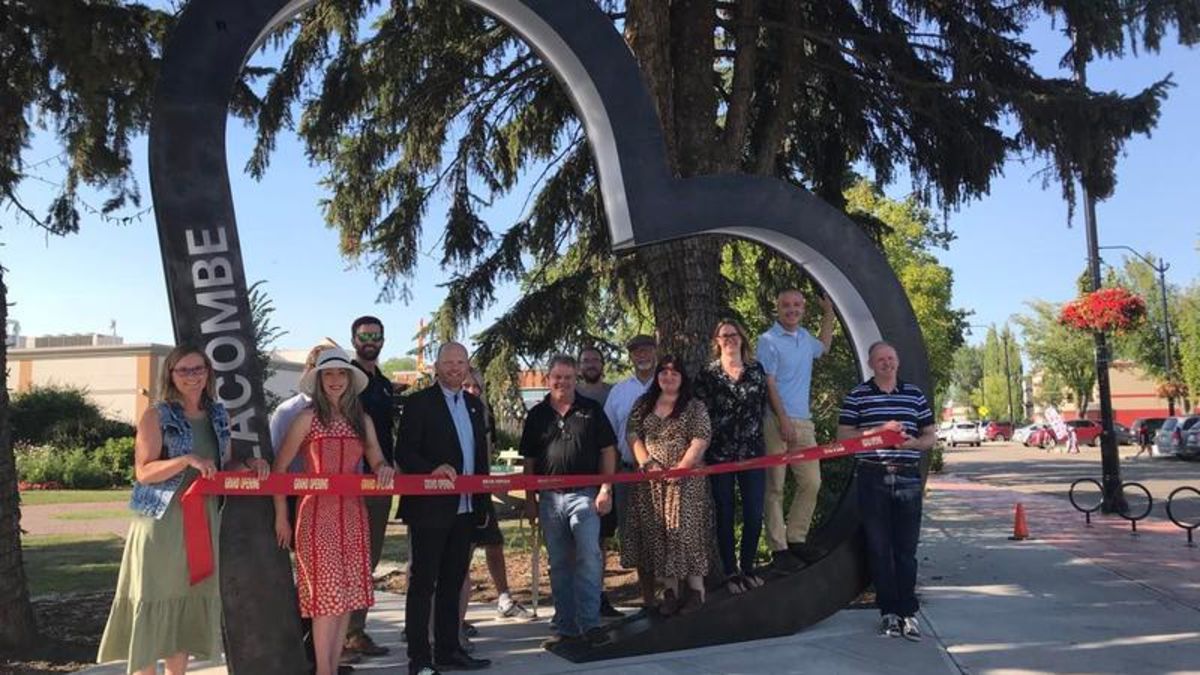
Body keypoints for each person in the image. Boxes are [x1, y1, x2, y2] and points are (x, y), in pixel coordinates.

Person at [98, 344, 269, 675]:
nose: (193, 376)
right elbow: (144, 472)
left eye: (199, 369)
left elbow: (220, 465)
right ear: (171, 375)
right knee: (153, 601)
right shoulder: (156, 415)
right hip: (161, 523)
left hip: (202, 520)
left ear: (208, 373)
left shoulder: (220, 414)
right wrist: (184, 460)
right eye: (184, 370)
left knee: (185, 602)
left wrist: (248, 463)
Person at [272, 347, 396, 675]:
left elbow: (377, 458)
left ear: (350, 379)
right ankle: (322, 670)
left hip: (354, 515)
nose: (336, 380)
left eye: (342, 374)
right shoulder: (306, 418)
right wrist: (281, 515)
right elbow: (280, 469)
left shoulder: (362, 420)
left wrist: (384, 469)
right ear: (319, 379)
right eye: (329, 374)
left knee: (346, 597)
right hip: (316, 516)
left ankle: (333, 664)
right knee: (325, 598)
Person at [396, 343, 493, 675]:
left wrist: (483, 502)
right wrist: (432, 470)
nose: (455, 367)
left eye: (460, 362)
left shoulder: (474, 405)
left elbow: (481, 458)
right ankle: (420, 660)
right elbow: (404, 452)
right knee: (424, 585)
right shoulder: (419, 403)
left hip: (466, 509)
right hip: (429, 510)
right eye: (448, 362)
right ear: (436, 366)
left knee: (453, 581)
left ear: (467, 366)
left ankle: (449, 651)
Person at [836, 341, 936, 642]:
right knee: (879, 551)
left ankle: (908, 612)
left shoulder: (914, 395)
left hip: (907, 477)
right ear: (871, 364)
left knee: (906, 552)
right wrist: (877, 433)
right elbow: (843, 437)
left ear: (898, 361)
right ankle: (888, 613)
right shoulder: (858, 396)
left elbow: (929, 435)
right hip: (873, 478)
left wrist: (913, 443)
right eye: (880, 359)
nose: (886, 363)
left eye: (891, 358)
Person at [521, 355, 617, 646]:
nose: (562, 382)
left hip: (585, 495)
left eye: (567, 377)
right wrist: (530, 499)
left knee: (589, 556)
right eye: (557, 377)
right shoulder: (537, 415)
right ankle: (566, 625)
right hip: (550, 500)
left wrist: (605, 489)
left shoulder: (591, 410)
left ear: (576, 379)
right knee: (560, 562)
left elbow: (608, 451)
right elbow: (529, 460)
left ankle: (590, 623)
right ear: (548, 380)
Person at [622, 356, 713, 616]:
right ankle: (670, 592)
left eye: (675, 373)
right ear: (658, 376)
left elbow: (701, 438)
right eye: (664, 372)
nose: (669, 377)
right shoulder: (643, 404)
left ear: (682, 377)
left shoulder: (694, 406)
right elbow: (632, 434)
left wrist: (681, 468)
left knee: (688, 534)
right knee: (659, 535)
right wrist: (647, 463)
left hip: (686, 484)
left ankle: (696, 591)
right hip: (652, 485)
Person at [757, 290, 834, 569]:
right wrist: (783, 419)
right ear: (777, 308)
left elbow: (824, 346)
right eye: (786, 305)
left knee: (811, 482)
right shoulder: (768, 341)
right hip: (777, 422)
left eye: (797, 305)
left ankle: (797, 538)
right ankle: (779, 549)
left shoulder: (805, 339)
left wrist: (829, 313)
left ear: (803, 309)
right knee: (774, 487)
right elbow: (769, 383)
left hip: (804, 422)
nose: (792, 310)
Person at [267, 343, 331, 672]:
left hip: (334, 509)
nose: (332, 377)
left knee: (324, 586)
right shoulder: (290, 411)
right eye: (325, 368)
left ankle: (318, 659)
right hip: (298, 503)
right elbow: (279, 462)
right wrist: (283, 514)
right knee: (304, 584)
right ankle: (298, 657)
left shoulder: (344, 411)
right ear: (310, 371)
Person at [458, 368, 529, 652]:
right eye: (466, 385)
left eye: (476, 386)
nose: (471, 390)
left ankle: (504, 598)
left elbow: (488, 456)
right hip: (458, 493)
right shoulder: (452, 412)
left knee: (494, 543)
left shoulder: (484, 414)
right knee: (460, 554)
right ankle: (453, 617)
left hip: (482, 490)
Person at [694, 319, 768, 594]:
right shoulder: (707, 374)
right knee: (724, 511)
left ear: (742, 338)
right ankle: (730, 571)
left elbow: (763, 407)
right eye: (724, 336)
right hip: (719, 454)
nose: (729, 339)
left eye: (734, 334)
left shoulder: (756, 370)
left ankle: (748, 567)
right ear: (716, 341)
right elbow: (699, 415)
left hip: (752, 452)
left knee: (754, 510)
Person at [346, 316, 397, 659]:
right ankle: (328, 637)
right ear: (354, 339)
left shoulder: (384, 384)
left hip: (380, 481)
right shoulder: (344, 377)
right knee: (345, 560)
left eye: (376, 335)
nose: (370, 340)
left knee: (369, 560)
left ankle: (355, 632)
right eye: (364, 335)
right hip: (347, 480)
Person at [602, 335, 659, 609]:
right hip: (628, 474)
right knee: (636, 539)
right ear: (631, 356)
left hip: (666, 475)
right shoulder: (619, 392)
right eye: (637, 351)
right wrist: (608, 482)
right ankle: (648, 601)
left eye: (647, 349)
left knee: (671, 534)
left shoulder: (669, 384)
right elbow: (608, 440)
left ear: (656, 352)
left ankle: (676, 596)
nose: (642, 355)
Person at [575, 345, 622, 618]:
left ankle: (598, 594)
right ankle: (576, 598)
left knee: (600, 541)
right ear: (579, 366)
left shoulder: (612, 392)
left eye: (595, 360)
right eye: (586, 360)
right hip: (576, 479)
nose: (591, 364)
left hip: (607, 477)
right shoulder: (571, 392)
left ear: (602, 364)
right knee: (574, 544)